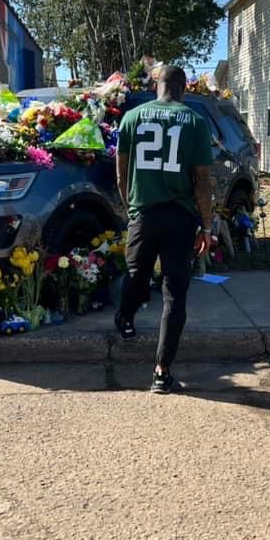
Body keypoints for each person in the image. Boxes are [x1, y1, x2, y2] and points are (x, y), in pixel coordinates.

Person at [114, 64, 213, 394]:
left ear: (156, 85)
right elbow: (202, 182)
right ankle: (161, 371)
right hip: (180, 217)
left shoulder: (131, 118)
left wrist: (131, 208)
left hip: (143, 212)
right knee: (175, 293)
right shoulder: (196, 122)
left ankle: (125, 320)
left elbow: (121, 174)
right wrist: (207, 225)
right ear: (184, 88)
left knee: (136, 274)